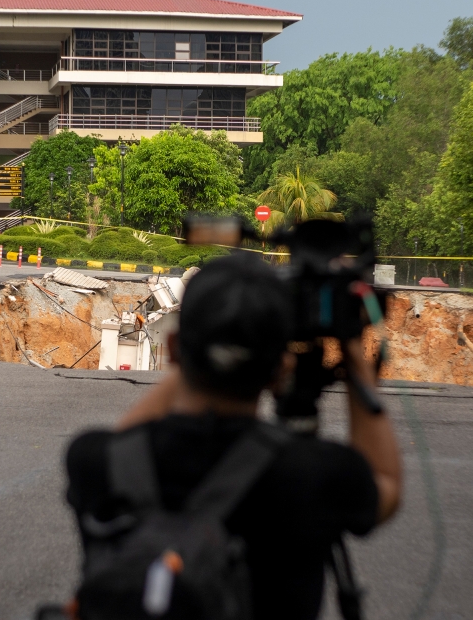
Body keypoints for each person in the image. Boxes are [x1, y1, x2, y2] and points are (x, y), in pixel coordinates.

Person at [64, 254, 402, 620]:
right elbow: (385, 485)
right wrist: (351, 352)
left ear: (175, 350)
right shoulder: (316, 475)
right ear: (280, 370)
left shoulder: (94, 461)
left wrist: (200, 353)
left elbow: (127, 442)